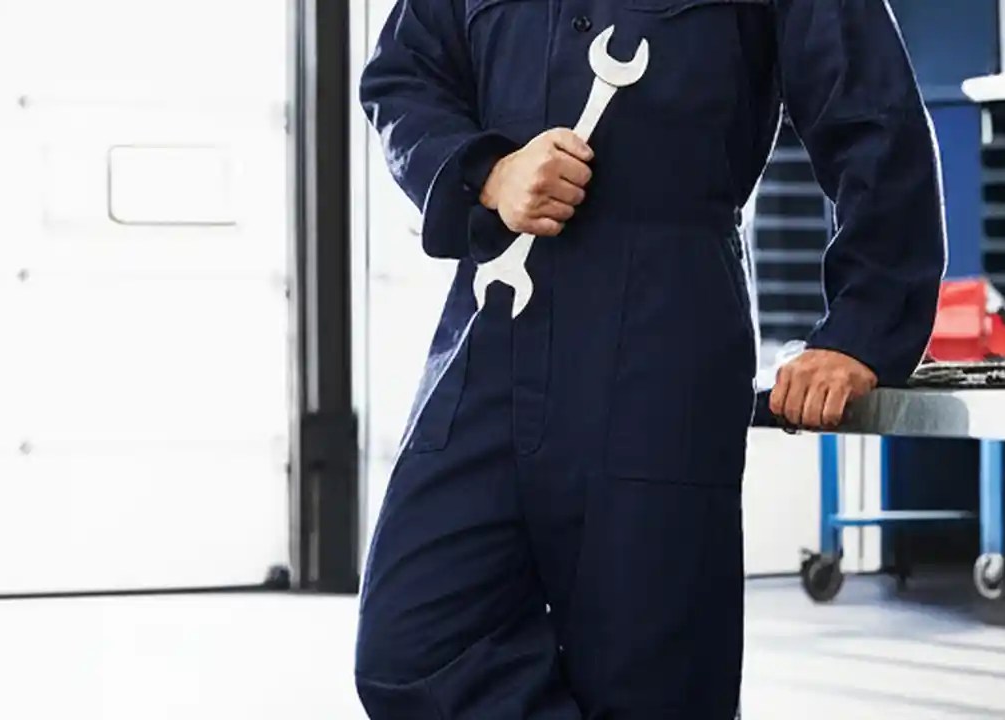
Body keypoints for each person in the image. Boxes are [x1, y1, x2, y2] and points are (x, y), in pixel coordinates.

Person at [354, 0, 946, 717]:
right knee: (414, 644)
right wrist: (487, 173)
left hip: (664, 336)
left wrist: (862, 328)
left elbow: (872, 113)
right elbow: (402, 73)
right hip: (496, 319)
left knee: (653, 680)